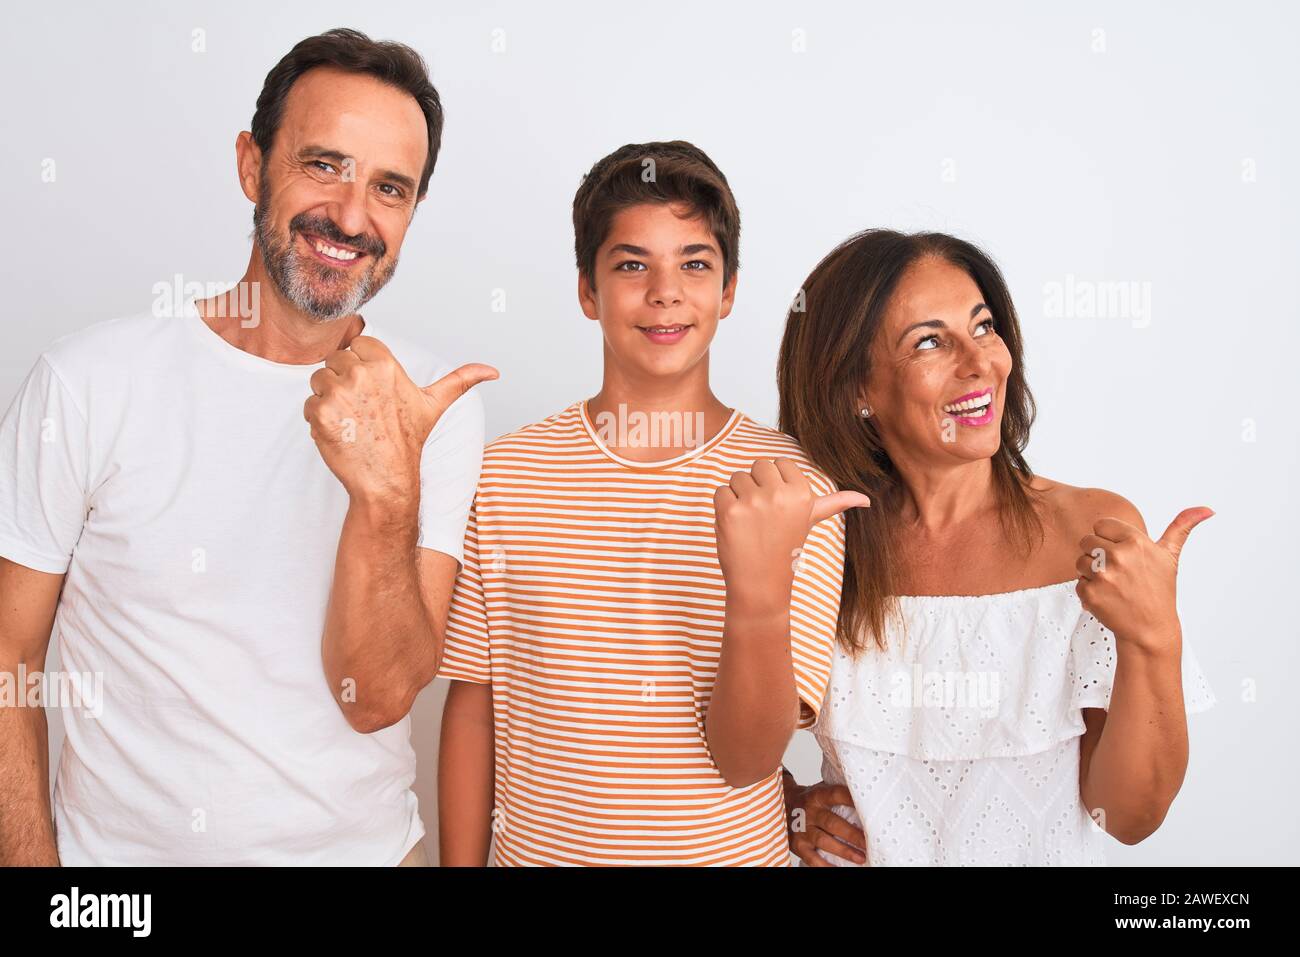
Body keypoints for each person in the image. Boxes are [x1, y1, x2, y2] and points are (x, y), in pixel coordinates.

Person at [0, 28, 493, 866]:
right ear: (251, 166)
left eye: (389, 188)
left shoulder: (432, 402)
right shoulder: (88, 380)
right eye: (324, 164)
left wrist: (385, 497)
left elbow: (375, 697)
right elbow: (9, 655)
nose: (351, 216)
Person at [436, 141, 868, 866]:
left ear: (728, 290)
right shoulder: (506, 473)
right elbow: (474, 707)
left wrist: (756, 586)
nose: (665, 291)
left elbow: (749, 757)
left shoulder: (793, 488)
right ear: (587, 289)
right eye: (632, 264)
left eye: (695, 264)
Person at [777, 229, 1215, 866]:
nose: (981, 362)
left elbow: (1128, 817)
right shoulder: (814, 539)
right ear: (856, 391)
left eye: (983, 328)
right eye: (930, 341)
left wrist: (1155, 639)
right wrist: (783, 804)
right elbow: (679, 727)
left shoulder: (1090, 535)